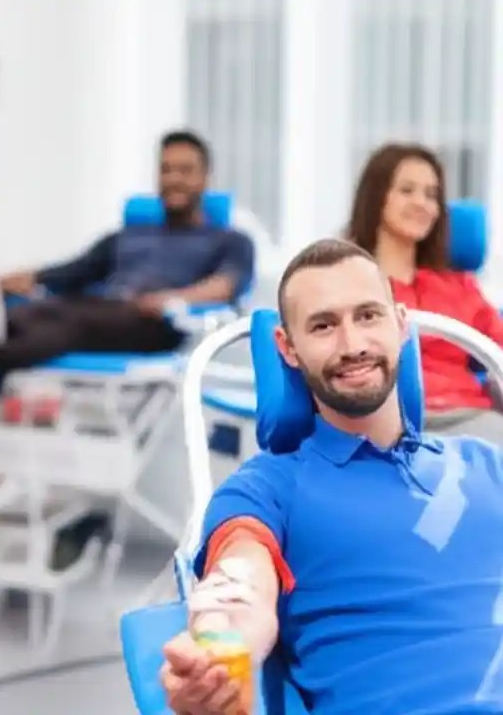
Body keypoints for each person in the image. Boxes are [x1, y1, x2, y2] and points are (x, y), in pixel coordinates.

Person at [162, 238, 503, 715]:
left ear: (400, 324)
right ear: (289, 347)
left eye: (368, 316)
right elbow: (239, 586)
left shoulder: (486, 464)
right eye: (324, 325)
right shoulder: (269, 488)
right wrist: (221, 652)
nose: (353, 345)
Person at [0, 130, 255, 384]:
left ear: (205, 177)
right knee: (44, 309)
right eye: (165, 170)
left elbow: (224, 286)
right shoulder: (128, 235)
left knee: (71, 322)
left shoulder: (229, 240)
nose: (173, 178)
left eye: (185, 170)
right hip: (101, 307)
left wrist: (170, 300)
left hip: (155, 322)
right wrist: (24, 279)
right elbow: (75, 270)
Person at [344, 142, 503, 439]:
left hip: (468, 420)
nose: (422, 203)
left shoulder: (460, 286)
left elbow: (498, 346)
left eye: (431, 195)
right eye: (407, 190)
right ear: (377, 197)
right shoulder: (346, 282)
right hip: (385, 424)